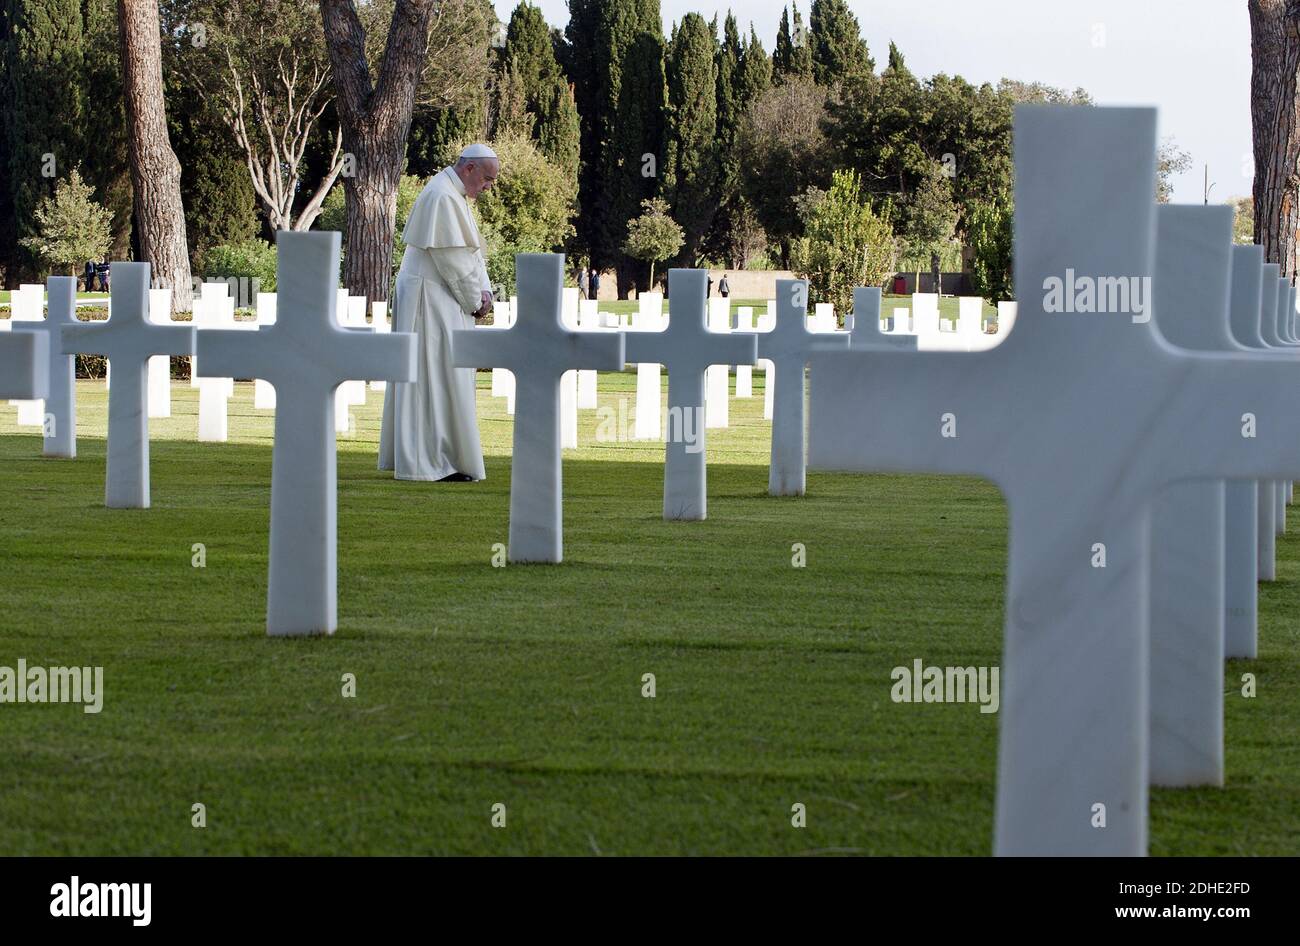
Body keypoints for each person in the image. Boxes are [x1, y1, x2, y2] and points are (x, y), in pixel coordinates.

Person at [378, 143, 499, 483]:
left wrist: (485, 292)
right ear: (469, 169)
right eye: (487, 179)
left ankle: (440, 456)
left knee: (443, 375)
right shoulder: (443, 196)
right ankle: (432, 459)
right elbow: (454, 262)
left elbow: (470, 254)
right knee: (433, 375)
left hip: (438, 297)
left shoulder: (452, 194)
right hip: (428, 300)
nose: (488, 187)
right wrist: (477, 300)